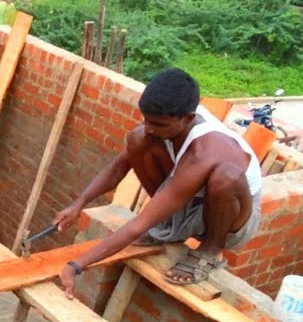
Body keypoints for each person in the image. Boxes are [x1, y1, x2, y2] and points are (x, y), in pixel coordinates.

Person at [54, 68, 262, 293]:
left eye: (160, 124)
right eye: (147, 119)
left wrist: (77, 265)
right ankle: (166, 222)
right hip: (192, 202)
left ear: (188, 118)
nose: (151, 127)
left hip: (229, 220)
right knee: (137, 137)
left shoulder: (208, 149)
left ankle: (208, 252)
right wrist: (79, 204)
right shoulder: (170, 117)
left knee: (226, 176)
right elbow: (119, 166)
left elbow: (138, 226)